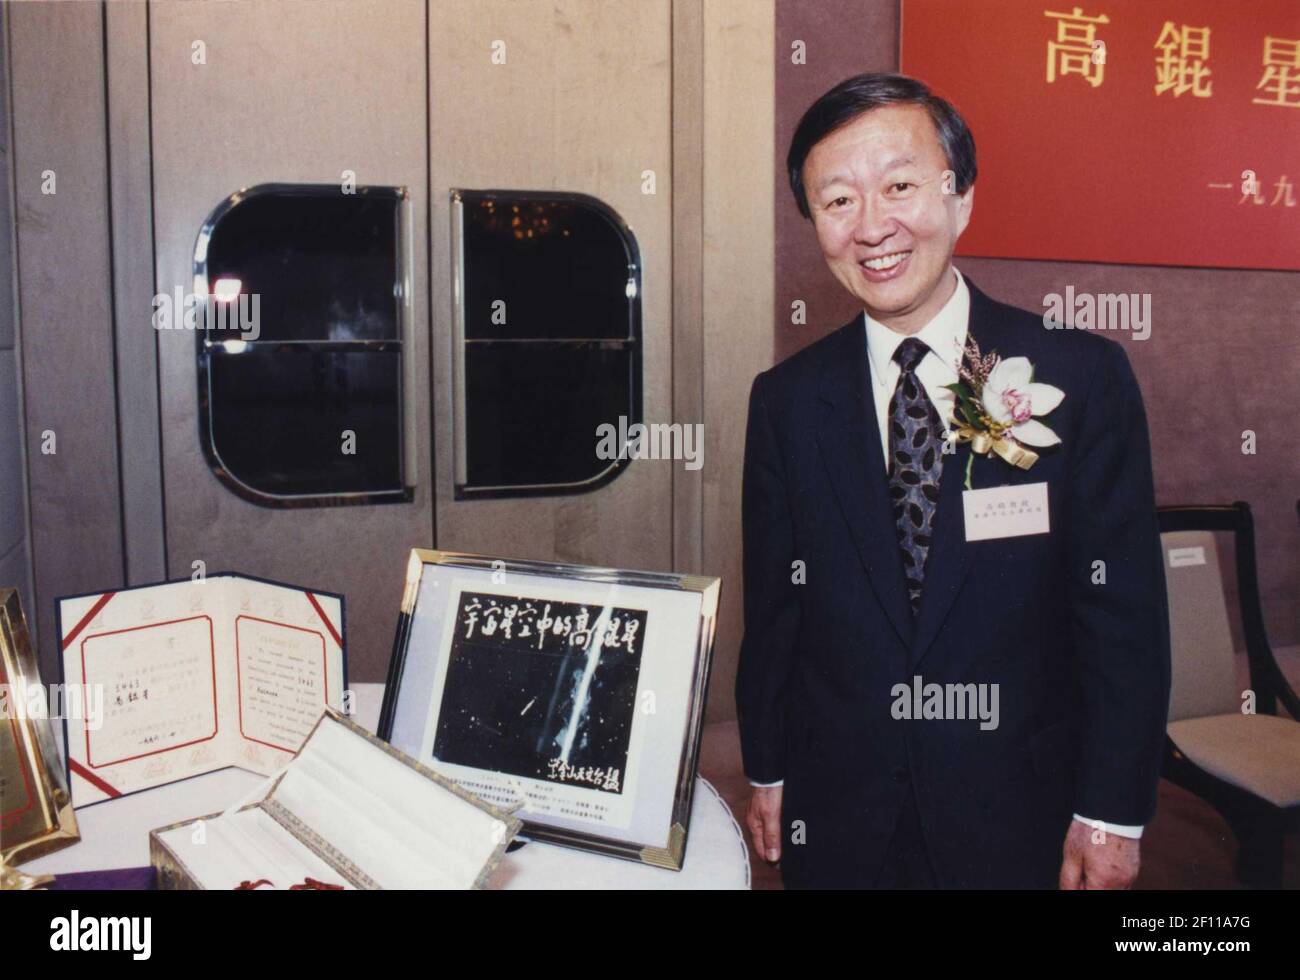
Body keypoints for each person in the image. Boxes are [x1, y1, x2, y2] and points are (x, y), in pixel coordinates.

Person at [735, 73, 1170, 889]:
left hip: (1020, 807)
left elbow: (1123, 619)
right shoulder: (788, 400)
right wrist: (767, 769)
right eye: (837, 201)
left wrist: (1112, 810)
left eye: (899, 185)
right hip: (839, 808)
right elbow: (777, 613)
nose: (873, 227)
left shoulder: (1077, 376)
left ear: (960, 196)